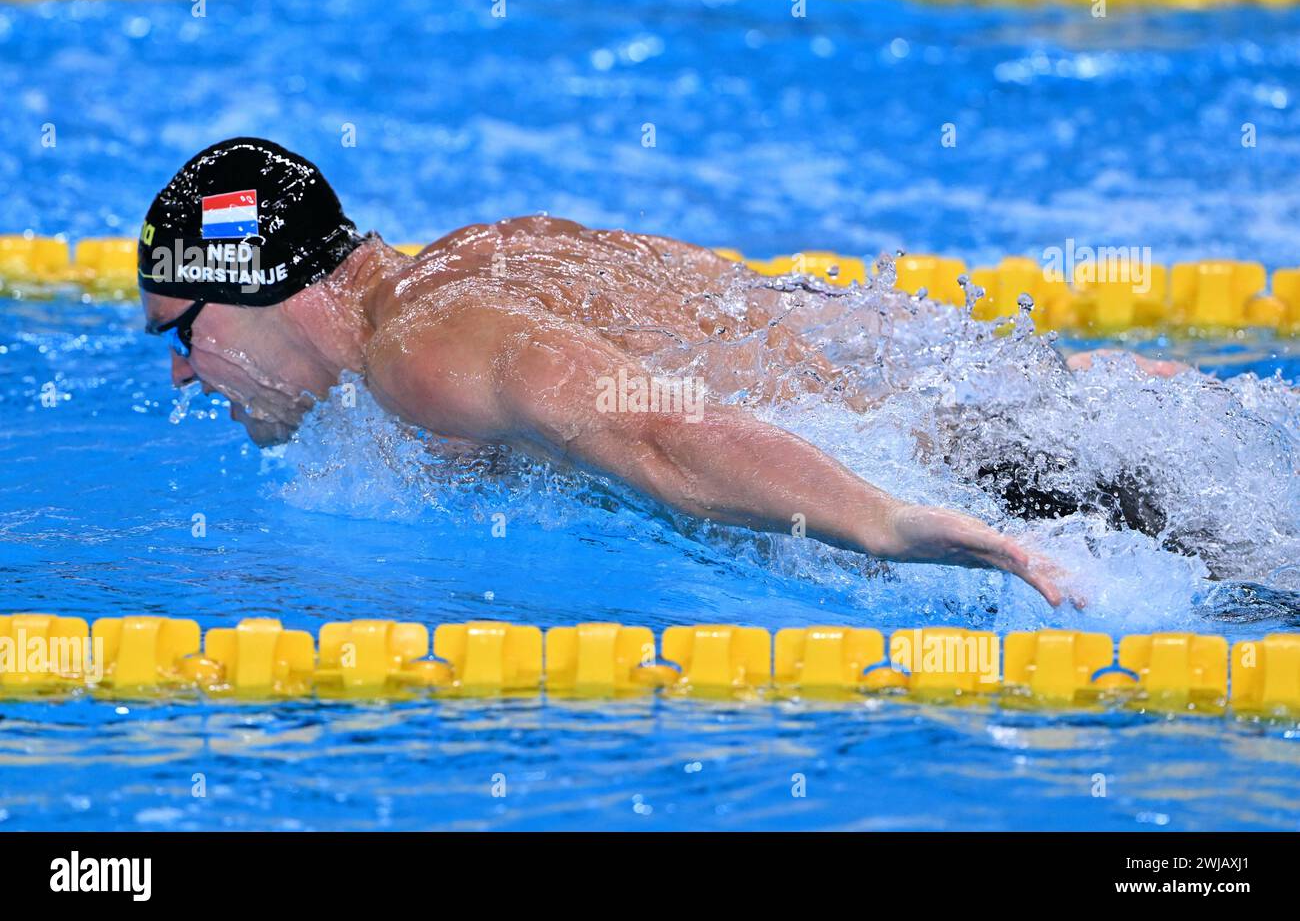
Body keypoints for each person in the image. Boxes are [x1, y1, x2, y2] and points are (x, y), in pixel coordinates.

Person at [138, 137, 1141, 608]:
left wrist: (891, 521)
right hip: (1042, 420)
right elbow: (771, 313)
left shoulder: (418, 356)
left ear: (254, 290)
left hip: (991, 491)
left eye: (179, 333)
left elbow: (658, 427)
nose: (185, 375)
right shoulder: (480, 258)